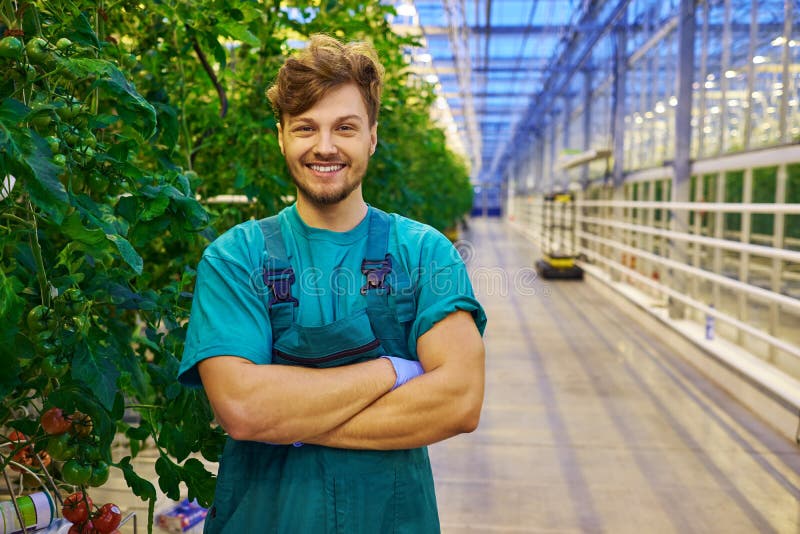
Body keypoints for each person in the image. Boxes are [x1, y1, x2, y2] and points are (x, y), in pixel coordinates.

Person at [178, 34, 487, 533]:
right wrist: (393, 371)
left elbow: (459, 400)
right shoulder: (236, 258)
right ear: (281, 136)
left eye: (345, 127)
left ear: (372, 136)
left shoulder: (424, 252)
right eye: (305, 128)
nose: (325, 146)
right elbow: (244, 409)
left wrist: (292, 422)